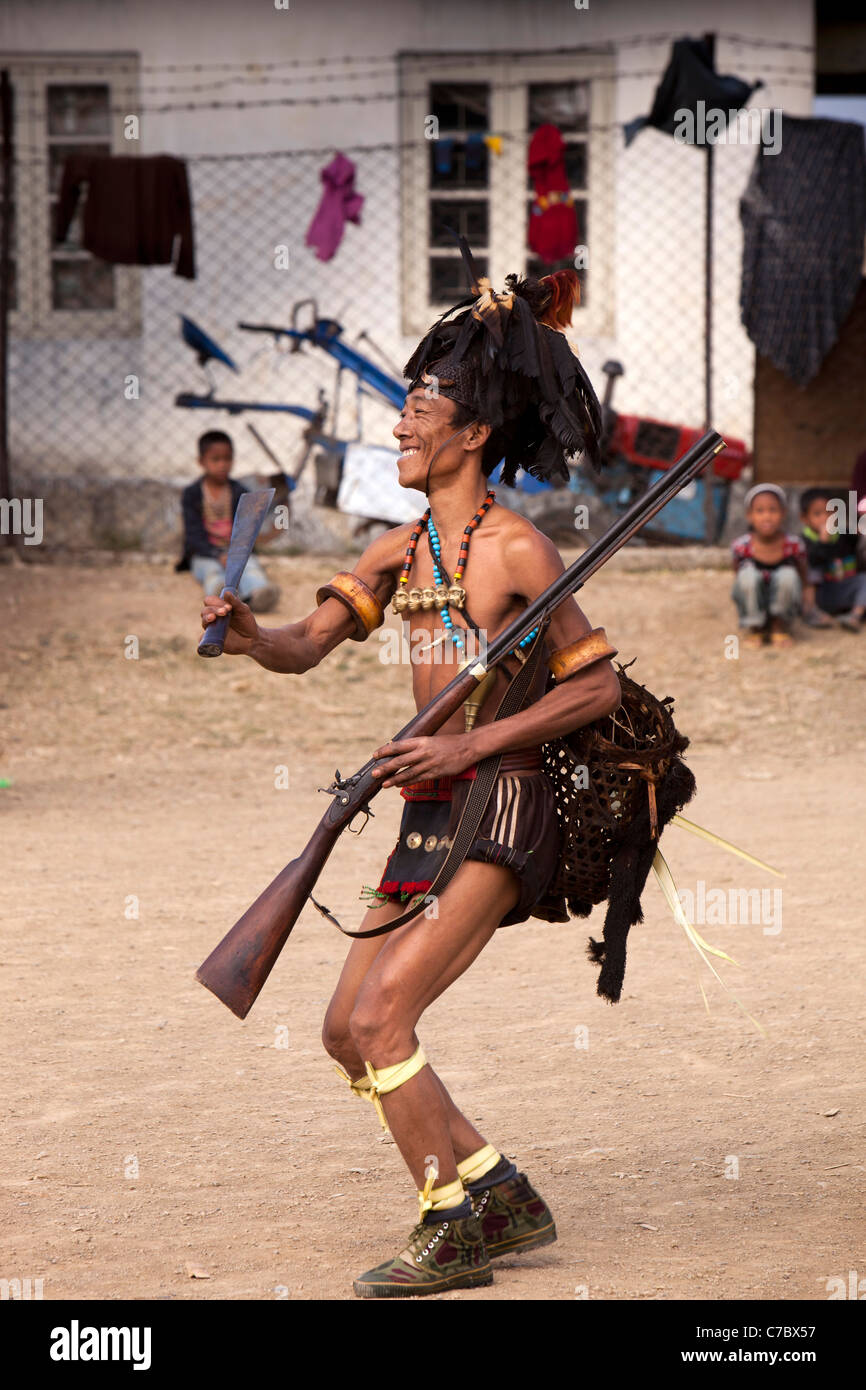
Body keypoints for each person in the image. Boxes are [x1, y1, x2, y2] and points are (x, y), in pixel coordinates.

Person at [200, 266, 621, 1298]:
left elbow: (597, 689)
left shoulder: (517, 547)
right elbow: (304, 642)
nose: (398, 427)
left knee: (384, 1019)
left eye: (417, 413)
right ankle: (494, 1186)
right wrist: (253, 637)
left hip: (502, 802)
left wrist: (467, 747)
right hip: (427, 810)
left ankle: (449, 1223)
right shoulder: (401, 546)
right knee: (347, 1030)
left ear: (470, 435)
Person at [176, 429, 280, 613]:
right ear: (201, 462)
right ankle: (220, 596)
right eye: (216, 459)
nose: (223, 465)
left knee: (250, 568)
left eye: (228, 459)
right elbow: (193, 537)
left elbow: (246, 533)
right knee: (212, 572)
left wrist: (234, 554)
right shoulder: (192, 494)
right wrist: (217, 554)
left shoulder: (240, 492)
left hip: (236, 552)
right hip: (204, 554)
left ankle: (259, 594)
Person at [730, 483, 807, 647]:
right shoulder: (741, 546)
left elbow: (802, 575)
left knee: (788, 575)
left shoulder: (794, 545)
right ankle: (755, 627)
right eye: (760, 511)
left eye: (773, 510)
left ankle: (778, 627)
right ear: (749, 515)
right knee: (747, 576)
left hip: (782, 601)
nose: (767, 517)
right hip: (755, 600)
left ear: (783, 513)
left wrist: (807, 600)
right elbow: (738, 577)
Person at [800, 486, 866, 632]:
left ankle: (855, 616)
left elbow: (860, 542)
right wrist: (824, 542)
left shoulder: (845, 534)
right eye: (818, 514)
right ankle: (811, 611)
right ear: (804, 518)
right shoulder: (803, 541)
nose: (825, 518)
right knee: (812, 569)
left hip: (846, 589)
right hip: (821, 594)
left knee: (864, 580)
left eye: (830, 512)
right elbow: (813, 562)